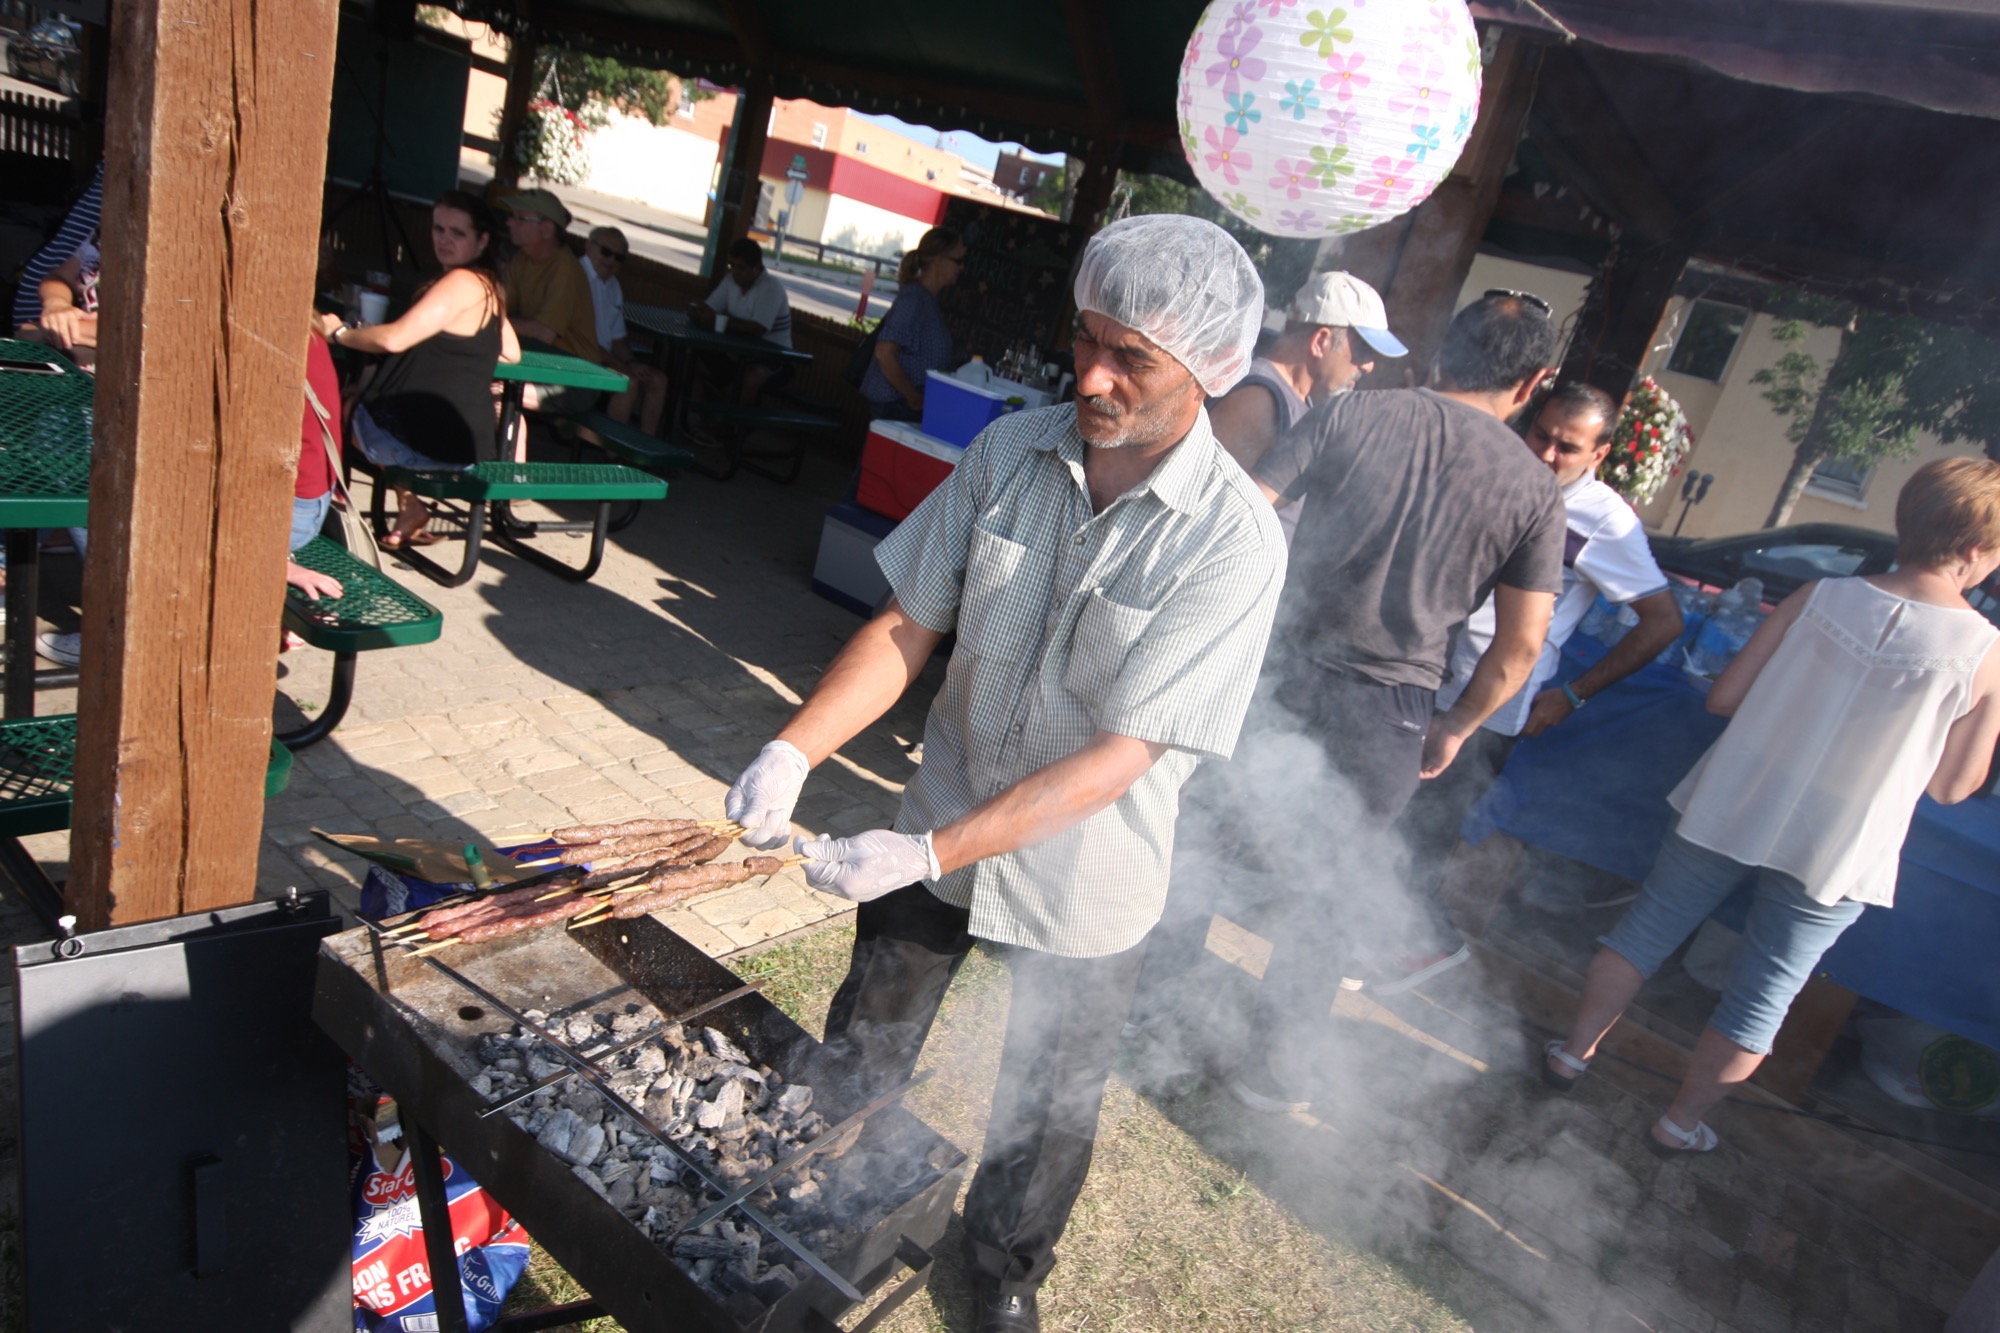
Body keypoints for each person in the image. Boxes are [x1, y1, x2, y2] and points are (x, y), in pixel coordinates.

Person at [723, 215, 1282, 1333]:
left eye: (1132, 357)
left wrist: (930, 851)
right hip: (940, 807)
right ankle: (826, 1206)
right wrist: (795, 745)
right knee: (866, 1034)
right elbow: (904, 625)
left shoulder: (1234, 543)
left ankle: (1001, 1265)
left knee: (1051, 1097)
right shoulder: (1005, 453)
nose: (1091, 373)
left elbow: (1123, 755)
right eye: (1085, 338)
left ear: (1207, 370)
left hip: (1086, 874)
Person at [1182, 290, 1569, 1114]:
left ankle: (1146, 999)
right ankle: (1267, 1069)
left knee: (1201, 838)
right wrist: (1459, 724)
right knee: (1325, 896)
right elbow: (1521, 648)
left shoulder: (1350, 414)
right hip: (1392, 713)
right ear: (1535, 381)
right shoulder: (1533, 490)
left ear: (1443, 347)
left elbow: (1238, 517)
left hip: (1280, 674)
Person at [1546, 457, 2000, 1157]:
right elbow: (1953, 785)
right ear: (1974, 551)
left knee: (1645, 931)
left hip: (1739, 796)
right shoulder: (1983, 649)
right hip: (1843, 842)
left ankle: (1572, 1054)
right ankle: (1680, 1122)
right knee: (1765, 994)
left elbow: (1723, 697)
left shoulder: (1819, 596)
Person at [1377, 383, 1685, 993]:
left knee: (1423, 832)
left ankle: (1428, 947)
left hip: (1491, 701)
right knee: (1390, 816)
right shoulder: (1503, 470)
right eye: (1540, 434)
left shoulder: (1606, 521)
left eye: (1566, 447)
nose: (1545, 453)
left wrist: (1573, 693)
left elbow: (1664, 620)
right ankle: (1377, 938)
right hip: (1426, 670)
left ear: (1599, 455)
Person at [321, 191, 520, 549]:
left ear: (482, 240)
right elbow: (513, 353)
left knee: (346, 410)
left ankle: (329, 509)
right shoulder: (490, 287)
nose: (444, 239)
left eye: (458, 233)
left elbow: (394, 339)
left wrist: (339, 333)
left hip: (433, 443)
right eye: (438, 229)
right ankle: (409, 507)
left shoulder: (460, 283)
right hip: (467, 442)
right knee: (371, 406)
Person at [1206, 270, 1405, 540]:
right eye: (1363, 349)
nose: (1369, 366)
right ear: (1321, 341)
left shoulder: (1301, 400)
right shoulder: (1260, 400)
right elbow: (1205, 507)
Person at [500, 188, 602, 425]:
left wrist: (494, 321)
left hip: (578, 380)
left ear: (547, 229)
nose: (509, 222)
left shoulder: (565, 268)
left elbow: (544, 332)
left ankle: (506, 459)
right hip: (540, 366)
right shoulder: (521, 260)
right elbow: (500, 308)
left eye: (519, 217)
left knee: (499, 390)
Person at [858, 227, 965, 422]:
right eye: (958, 261)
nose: (962, 267)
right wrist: (914, 398)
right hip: (894, 407)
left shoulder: (926, 300)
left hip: (900, 407)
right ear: (938, 260)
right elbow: (884, 352)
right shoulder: (914, 299)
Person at [579, 225, 669, 436]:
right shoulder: (576, 275)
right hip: (581, 355)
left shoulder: (613, 286)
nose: (611, 261)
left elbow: (618, 339)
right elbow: (584, 340)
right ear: (588, 247)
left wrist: (632, 362)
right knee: (628, 381)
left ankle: (645, 447)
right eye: (606, 252)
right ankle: (614, 455)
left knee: (657, 379)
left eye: (619, 258)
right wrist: (624, 367)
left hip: (605, 357)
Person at [688, 237, 793, 405]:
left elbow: (757, 330)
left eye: (741, 267)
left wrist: (717, 320)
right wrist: (699, 312)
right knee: (692, 361)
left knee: (750, 378)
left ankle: (729, 426)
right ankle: (699, 419)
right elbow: (710, 308)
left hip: (772, 358)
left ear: (757, 268)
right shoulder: (731, 280)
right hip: (735, 354)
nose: (735, 271)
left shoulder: (771, 287)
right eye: (732, 266)